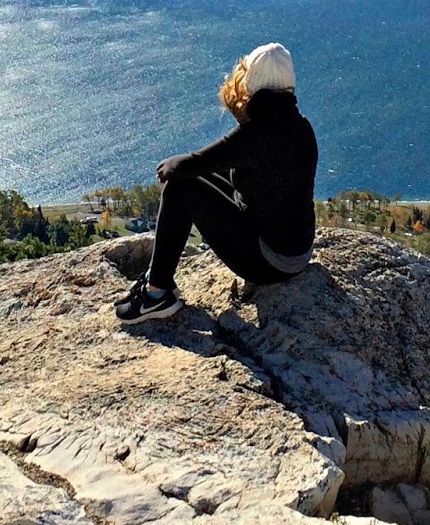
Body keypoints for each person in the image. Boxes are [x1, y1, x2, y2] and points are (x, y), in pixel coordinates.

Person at [115, 42, 319, 324]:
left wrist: (170, 166)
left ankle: (156, 293)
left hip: (271, 262)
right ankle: (158, 281)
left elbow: (190, 164)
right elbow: (218, 163)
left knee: (180, 187)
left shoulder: (257, 134)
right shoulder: (301, 127)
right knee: (198, 178)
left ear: (252, 82)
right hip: (298, 250)